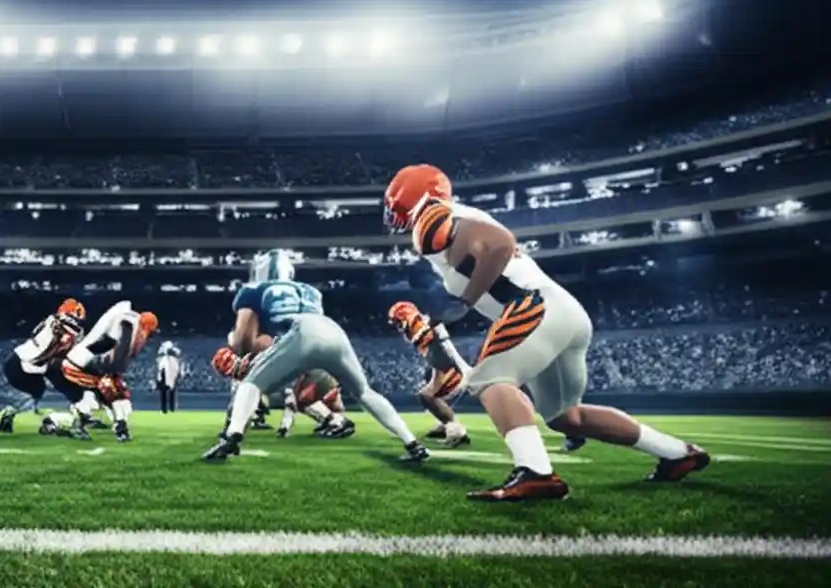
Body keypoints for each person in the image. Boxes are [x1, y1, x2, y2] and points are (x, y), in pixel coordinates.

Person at [384, 163, 709, 501]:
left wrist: (466, 302)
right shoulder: (459, 216)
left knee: (487, 379)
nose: (394, 215)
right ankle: (677, 453)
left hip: (536, 305)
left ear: (413, 197)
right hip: (561, 312)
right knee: (567, 417)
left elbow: (500, 244)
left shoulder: (434, 217)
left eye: (396, 206)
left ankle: (536, 473)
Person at [202, 249, 429, 462]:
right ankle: (412, 444)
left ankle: (231, 438)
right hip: (333, 331)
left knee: (249, 385)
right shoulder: (311, 291)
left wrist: (233, 340)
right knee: (364, 392)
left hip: (302, 336)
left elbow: (245, 343)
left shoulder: (254, 289)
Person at [46, 300, 158, 442]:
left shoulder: (126, 323)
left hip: (88, 364)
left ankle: (116, 425)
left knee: (115, 400)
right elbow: (111, 352)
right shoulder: (127, 326)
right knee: (95, 402)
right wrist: (110, 374)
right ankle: (60, 422)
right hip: (79, 365)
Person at [388, 301, 472, 448]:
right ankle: (444, 424)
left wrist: (464, 370)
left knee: (427, 396)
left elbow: (448, 348)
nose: (397, 327)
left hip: (454, 369)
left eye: (398, 321)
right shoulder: (417, 331)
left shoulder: (429, 328)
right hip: (444, 368)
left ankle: (455, 429)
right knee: (427, 393)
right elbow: (435, 358)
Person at [0, 299, 86, 433]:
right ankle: (58, 420)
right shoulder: (67, 328)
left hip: (17, 359)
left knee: (37, 393)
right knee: (68, 387)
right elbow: (69, 339)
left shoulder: (49, 320)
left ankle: (10, 411)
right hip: (30, 364)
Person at [155, 341, 183, 413]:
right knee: (168, 393)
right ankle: (169, 408)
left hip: (169, 373)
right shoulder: (169, 356)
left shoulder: (170, 356)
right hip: (167, 373)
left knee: (167, 393)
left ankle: (168, 408)